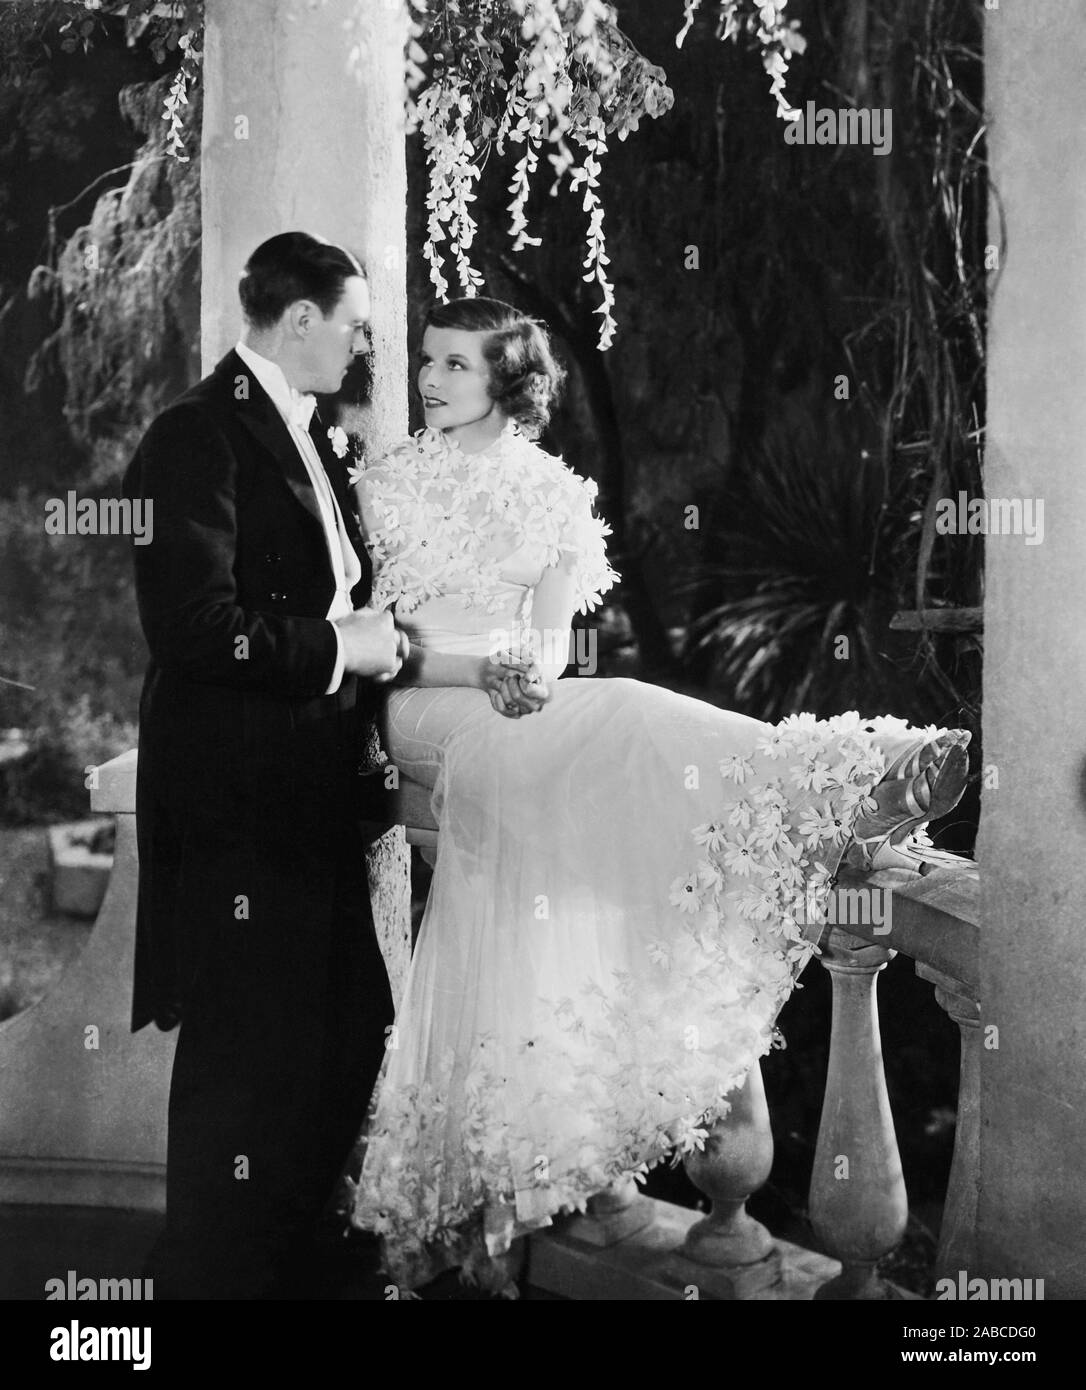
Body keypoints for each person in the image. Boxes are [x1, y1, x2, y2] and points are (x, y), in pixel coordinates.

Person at [346, 295, 971, 1298]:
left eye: (457, 365)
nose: (430, 379)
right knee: (630, 704)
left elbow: (545, 651)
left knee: (618, 728)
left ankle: (840, 776)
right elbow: (382, 642)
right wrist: (482, 671)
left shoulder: (553, 495)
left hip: (516, 709)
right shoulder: (389, 483)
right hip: (424, 708)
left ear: (508, 381)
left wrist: (524, 672)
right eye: (429, 359)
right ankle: (834, 777)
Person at [123, 231, 409, 1299]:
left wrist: (384, 652)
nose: (364, 341)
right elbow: (195, 628)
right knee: (242, 1060)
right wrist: (347, 647)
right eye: (354, 322)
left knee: (344, 1036)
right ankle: (191, 1283)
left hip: (313, 802)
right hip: (237, 805)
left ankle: (280, 1261)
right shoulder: (192, 437)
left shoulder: (314, 439)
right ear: (300, 321)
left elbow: (324, 597)